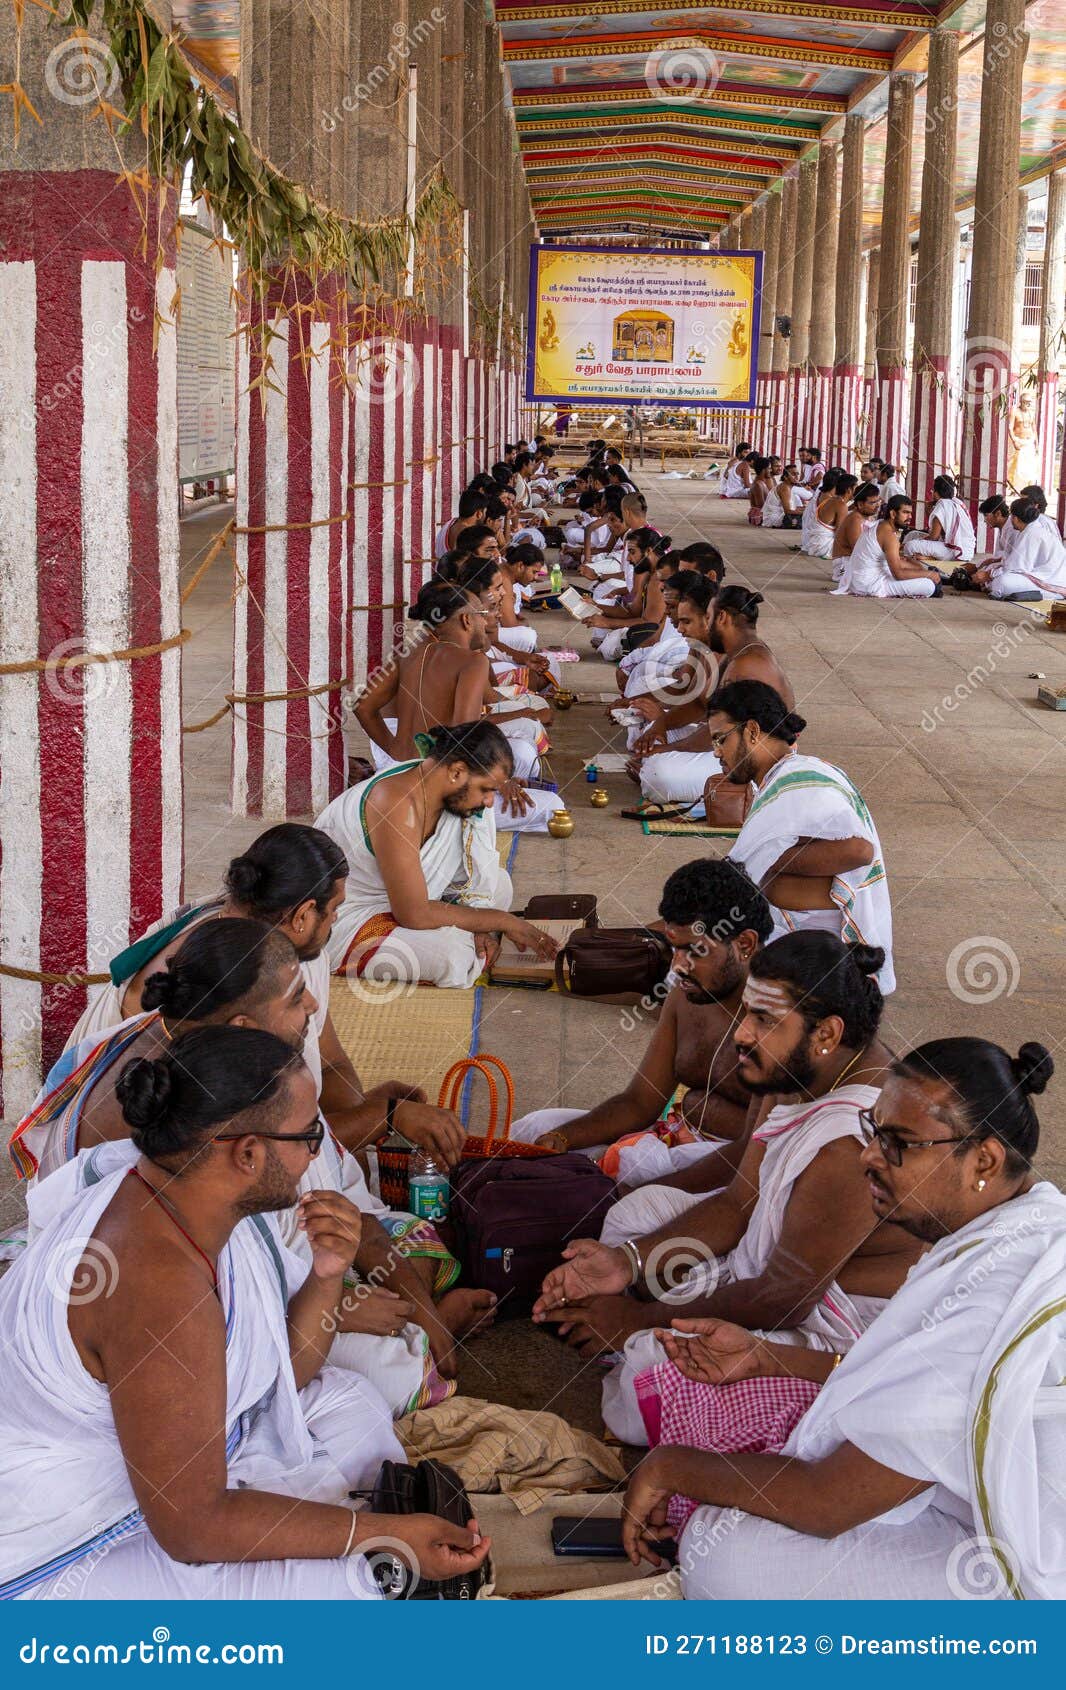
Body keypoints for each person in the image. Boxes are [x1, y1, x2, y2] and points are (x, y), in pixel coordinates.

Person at [0, 1028, 493, 1600]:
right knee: (361, 1584)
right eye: (310, 1134)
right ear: (249, 1153)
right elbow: (191, 1528)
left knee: (351, 1401)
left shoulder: (188, 1197)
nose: (319, 1151)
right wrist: (383, 1534)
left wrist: (329, 1271)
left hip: (163, 1473)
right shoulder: (156, 1289)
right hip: (52, 1548)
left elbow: (285, 1375)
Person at [626, 1037, 1066, 1601]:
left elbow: (826, 1502)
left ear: (984, 1160)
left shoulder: (993, 1293)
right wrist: (767, 1357)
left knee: (728, 1553)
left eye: (899, 1144)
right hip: (977, 1511)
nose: (869, 1156)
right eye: (872, 1131)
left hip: (1026, 1565)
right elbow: (901, 1378)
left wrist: (669, 1468)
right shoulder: (1024, 1222)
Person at [533, 935, 921, 1442]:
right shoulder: (796, 1069)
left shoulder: (851, 1144)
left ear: (826, 1033)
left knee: (648, 1376)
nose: (741, 1035)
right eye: (747, 1014)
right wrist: (625, 1262)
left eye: (764, 1020)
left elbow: (783, 1299)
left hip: (834, 1324)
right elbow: (740, 1204)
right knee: (637, 1218)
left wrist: (637, 1318)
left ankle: (633, 1339)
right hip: (773, 1276)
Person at [57, 825, 459, 1169]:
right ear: (302, 915)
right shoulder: (227, 979)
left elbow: (330, 1057)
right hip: (147, 1165)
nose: (338, 920)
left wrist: (362, 1113)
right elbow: (250, 1147)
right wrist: (383, 1119)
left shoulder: (285, 946)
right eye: (335, 909)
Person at [509, 861, 773, 1188]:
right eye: (674, 948)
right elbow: (640, 1103)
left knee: (634, 1171)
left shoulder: (786, 1013)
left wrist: (654, 1182)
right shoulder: (684, 996)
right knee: (533, 1129)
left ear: (745, 945)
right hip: (674, 1138)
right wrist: (562, 1138)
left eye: (693, 951)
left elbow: (769, 1145)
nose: (678, 967)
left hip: (744, 1171)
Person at [317, 722, 555, 986]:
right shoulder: (395, 804)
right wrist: (502, 921)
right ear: (456, 772)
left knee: (499, 884)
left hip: (408, 898)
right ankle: (467, 939)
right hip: (345, 915)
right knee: (453, 957)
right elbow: (413, 914)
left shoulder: (441, 790)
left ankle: (466, 933)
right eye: (486, 790)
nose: (489, 802)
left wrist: (481, 922)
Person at [708, 681, 895, 990]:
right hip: (791, 933)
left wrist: (775, 858)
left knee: (693, 970)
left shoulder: (801, 777)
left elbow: (861, 851)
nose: (716, 752)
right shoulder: (782, 778)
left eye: (720, 739)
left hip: (816, 951)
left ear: (752, 731)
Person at [355, 580, 563, 832]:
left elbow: (363, 707)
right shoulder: (473, 662)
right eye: (482, 615)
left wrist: (396, 750)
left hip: (401, 775)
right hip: (441, 792)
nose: (486, 622)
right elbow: (465, 733)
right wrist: (499, 781)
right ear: (467, 620)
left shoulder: (406, 655)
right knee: (553, 806)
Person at [633, 586, 793, 810]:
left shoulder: (747, 663)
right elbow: (703, 708)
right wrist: (661, 724)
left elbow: (724, 733)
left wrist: (671, 749)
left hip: (757, 765)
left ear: (722, 617)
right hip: (732, 746)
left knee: (656, 773)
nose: (705, 626)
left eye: (707, 618)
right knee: (650, 742)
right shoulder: (739, 654)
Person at [833, 494, 943, 597]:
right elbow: (898, 574)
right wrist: (929, 574)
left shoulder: (881, 525)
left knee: (920, 570)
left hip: (861, 580)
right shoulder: (889, 535)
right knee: (928, 585)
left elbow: (897, 564)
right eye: (905, 512)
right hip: (868, 585)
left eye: (910, 513)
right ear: (893, 514)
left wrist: (920, 569)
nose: (909, 517)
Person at [979, 496, 1066, 600]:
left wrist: (989, 575)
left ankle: (1050, 594)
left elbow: (1016, 567)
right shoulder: (1030, 530)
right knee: (996, 576)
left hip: (1052, 581)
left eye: (1011, 516)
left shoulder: (1031, 533)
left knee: (1001, 582)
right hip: (1042, 576)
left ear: (1015, 518)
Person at [902, 474, 976, 563]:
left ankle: (910, 563)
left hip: (955, 551)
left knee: (910, 546)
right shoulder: (956, 502)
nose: (932, 492)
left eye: (933, 490)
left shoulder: (942, 504)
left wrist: (913, 543)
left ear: (936, 493)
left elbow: (934, 537)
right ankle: (927, 557)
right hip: (961, 548)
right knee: (912, 534)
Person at [829, 479, 881, 574]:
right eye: (872, 503)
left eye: (878, 501)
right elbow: (859, 550)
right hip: (844, 565)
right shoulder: (855, 519)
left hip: (854, 561)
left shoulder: (866, 517)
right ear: (860, 504)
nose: (877, 505)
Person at [761, 463, 805, 530]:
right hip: (773, 519)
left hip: (777, 516)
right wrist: (806, 512)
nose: (796, 476)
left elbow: (793, 508)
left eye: (797, 474)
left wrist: (805, 509)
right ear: (785, 477)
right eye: (793, 474)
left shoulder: (788, 487)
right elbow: (788, 511)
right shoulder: (785, 488)